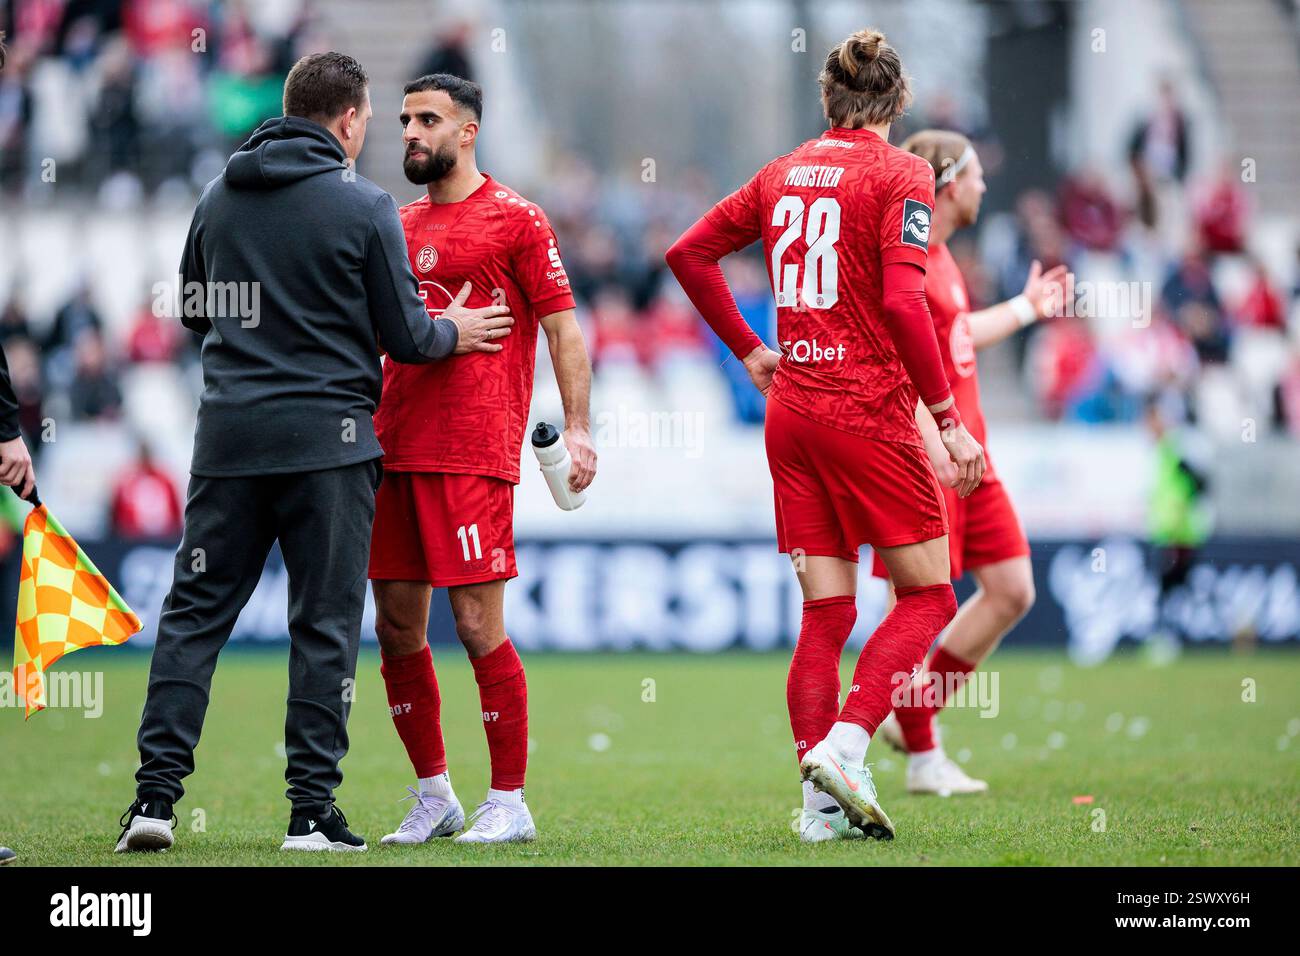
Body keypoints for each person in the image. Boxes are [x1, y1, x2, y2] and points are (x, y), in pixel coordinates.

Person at [117, 52, 514, 855]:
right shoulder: (364, 205)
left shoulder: (219, 195)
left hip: (228, 442)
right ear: (348, 119)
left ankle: (154, 801)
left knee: (193, 619)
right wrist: (456, 332)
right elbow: (407, 335)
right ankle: (309, 814)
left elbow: (195, 313)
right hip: (329, 449)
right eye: (374, 117)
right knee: (323, 626)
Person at [666, 29, 985, 842]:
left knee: (827, 617)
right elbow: (905, 305)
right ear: (896, 102)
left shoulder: (784, 171)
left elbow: (689, 253)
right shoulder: (902, 171)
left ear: (829, 100)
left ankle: (818, 813)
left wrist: (749, 352)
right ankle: (847, 747)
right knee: (929, 596)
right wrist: (947, 423)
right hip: (865, 413)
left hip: (792, 414)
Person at [368, 74, 596, 845]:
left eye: (427, 119)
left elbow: (564, 330)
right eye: (403, 119)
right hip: (390, 447)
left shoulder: (517, 220)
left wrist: (579, 426)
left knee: (474, 624)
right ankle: (435, 794)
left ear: (467, 131)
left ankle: (510, 799)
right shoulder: (392, 224)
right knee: (397, 627)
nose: (409, 131)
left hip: (471, 451)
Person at [868, 131, 1070, 793]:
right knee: (918, 606)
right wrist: (939, 443)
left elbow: (954, 334)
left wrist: (1024, 308)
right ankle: (924, 756)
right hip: (933, 458)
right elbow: (900, 372)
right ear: (952, 183)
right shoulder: (907, 259)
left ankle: (916, 717)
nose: (986, 186)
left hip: (971, 454)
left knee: (1012, 590)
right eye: (978, 175)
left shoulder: (943, 256)